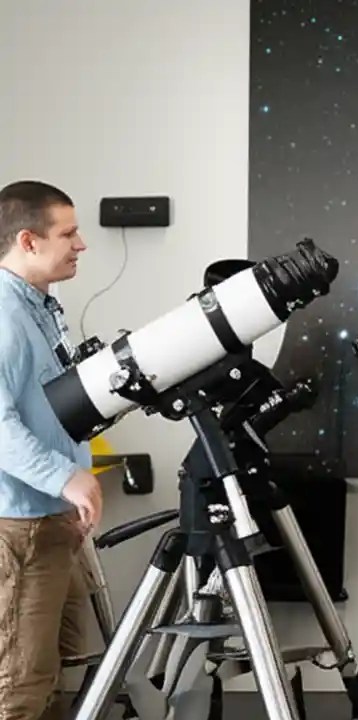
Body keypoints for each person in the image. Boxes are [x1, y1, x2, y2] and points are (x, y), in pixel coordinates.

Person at [0, 180, 101, 719]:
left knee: (57, 670)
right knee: (20, 683)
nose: (80, 244)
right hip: (20, 527)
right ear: (28, 241)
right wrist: (65, 477)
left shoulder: (40, 305)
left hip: (51, 520)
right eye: (69, 233)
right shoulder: (4, 315)